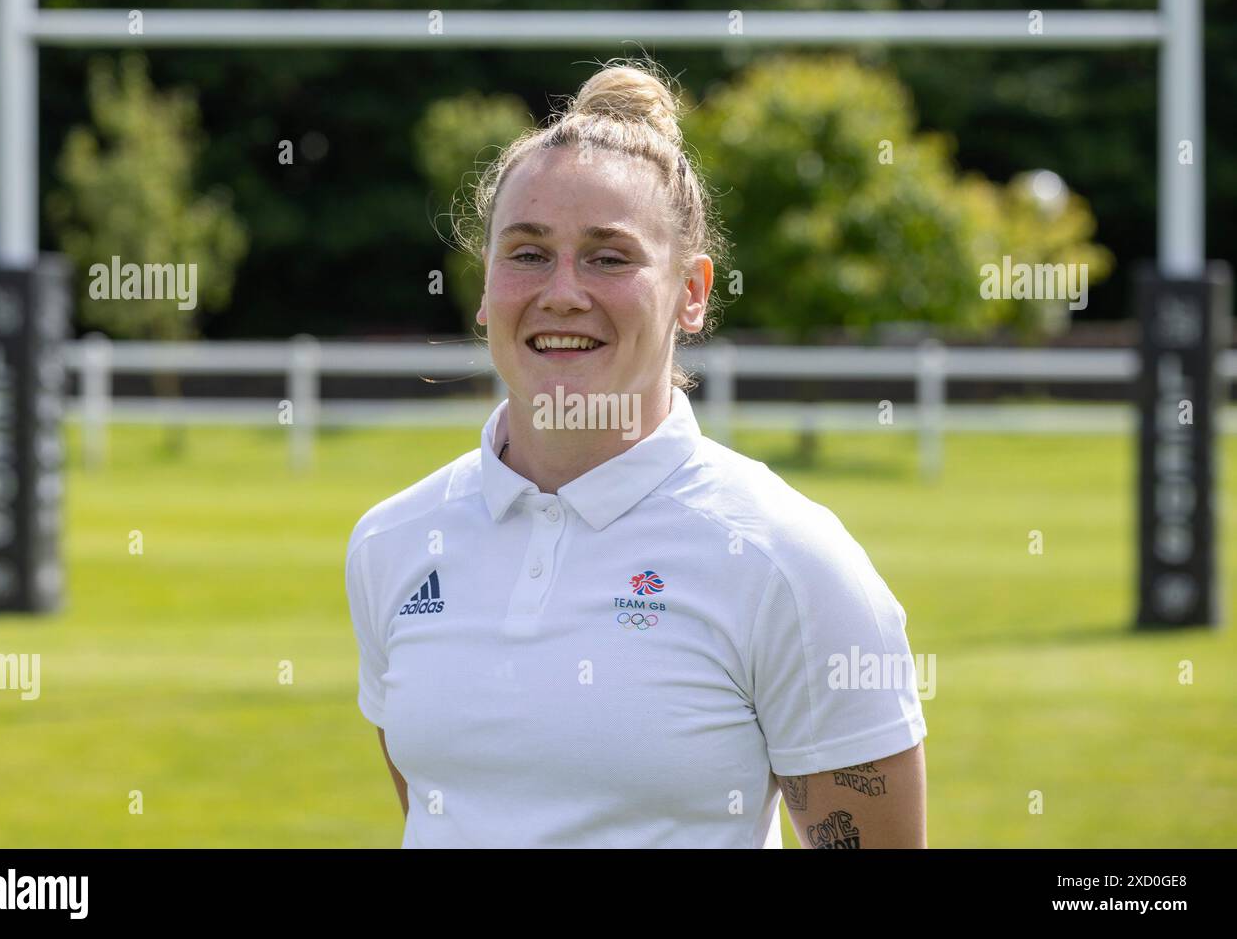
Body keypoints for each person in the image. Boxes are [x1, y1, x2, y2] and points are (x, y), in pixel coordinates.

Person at [346, 58, 927, 848]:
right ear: (485, 287)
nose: (562, 291)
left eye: (608, 256)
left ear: (692, 291)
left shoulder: (790, 559)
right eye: (526, 252)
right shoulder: (394, 539)